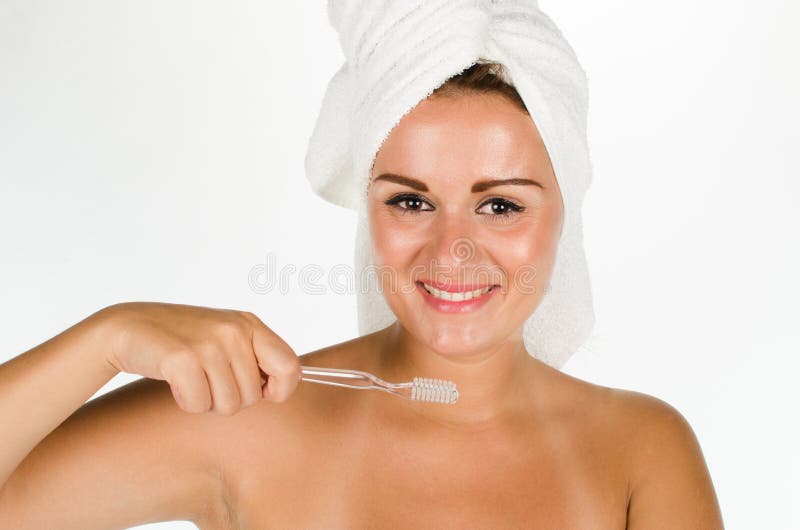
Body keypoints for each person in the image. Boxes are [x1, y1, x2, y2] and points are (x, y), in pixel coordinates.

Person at [0, 60, 723, 528]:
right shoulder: (245, 418)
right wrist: (106, 338)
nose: (452, 252)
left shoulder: (640, 450)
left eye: (501, 205)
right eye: (411, 201)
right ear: (366, 210)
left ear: (565, 210)